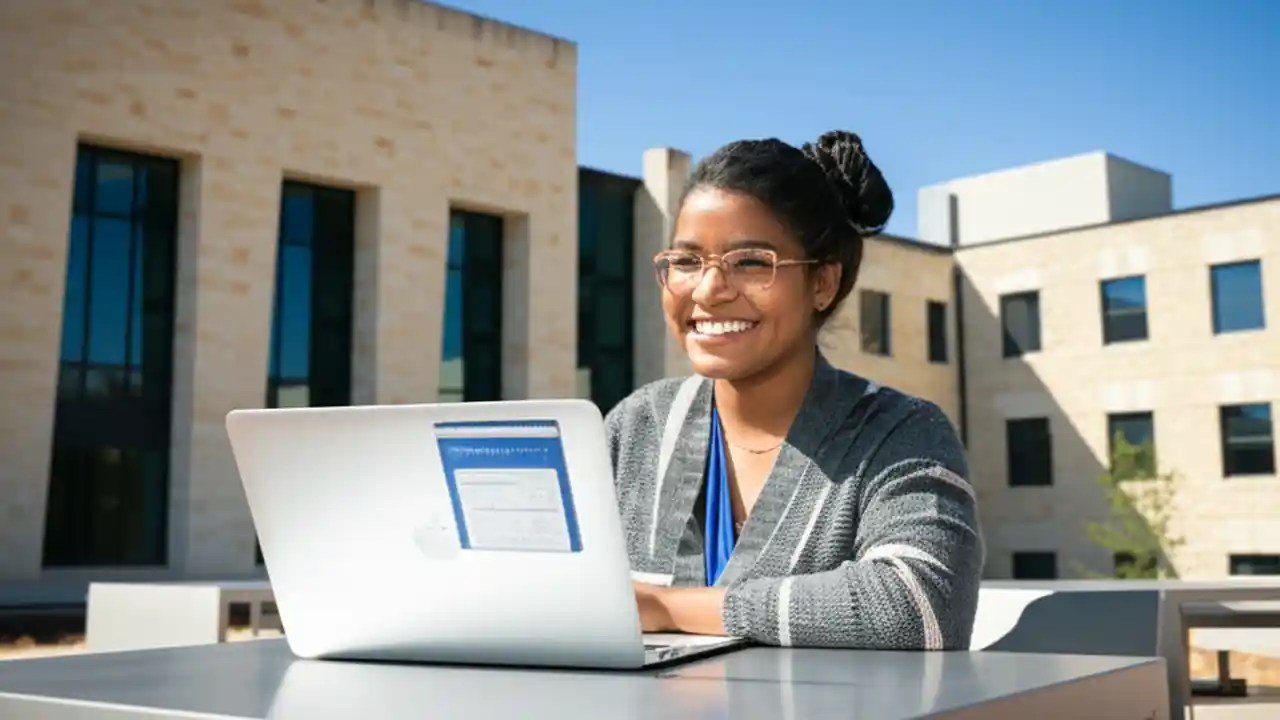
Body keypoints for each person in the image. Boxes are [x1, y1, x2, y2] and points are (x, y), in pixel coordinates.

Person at [604, 130, 984, 650]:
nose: (709, 290)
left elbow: (919, 607)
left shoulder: (899, 435)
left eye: (751, 262)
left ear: (822, 283)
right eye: (687, 262)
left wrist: (665, 607)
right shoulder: (638, 425)